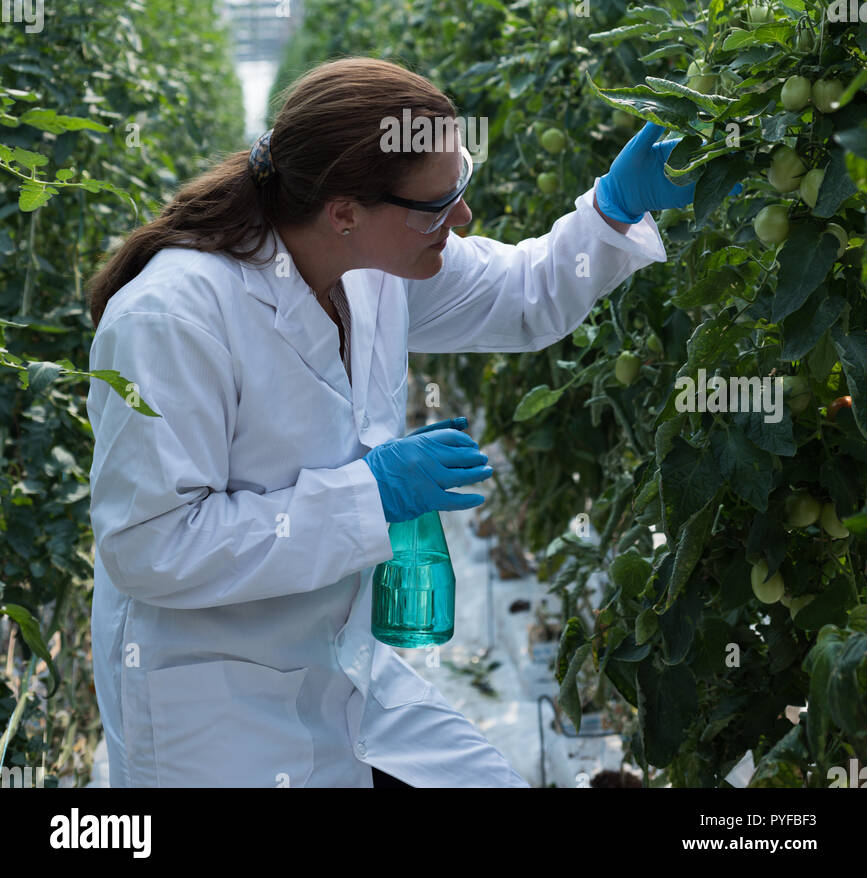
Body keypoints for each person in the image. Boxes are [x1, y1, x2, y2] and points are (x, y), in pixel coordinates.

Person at [85, 55, 689, 789]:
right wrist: (368, 495)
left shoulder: (369, 269)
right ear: (343, 212)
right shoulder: (175, 315)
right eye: (438, 204)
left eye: (459, 184)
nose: (461, 217)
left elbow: (524, 296)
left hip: (342, 663)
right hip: (212, 705)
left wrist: (613, 208)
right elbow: (147, 548)